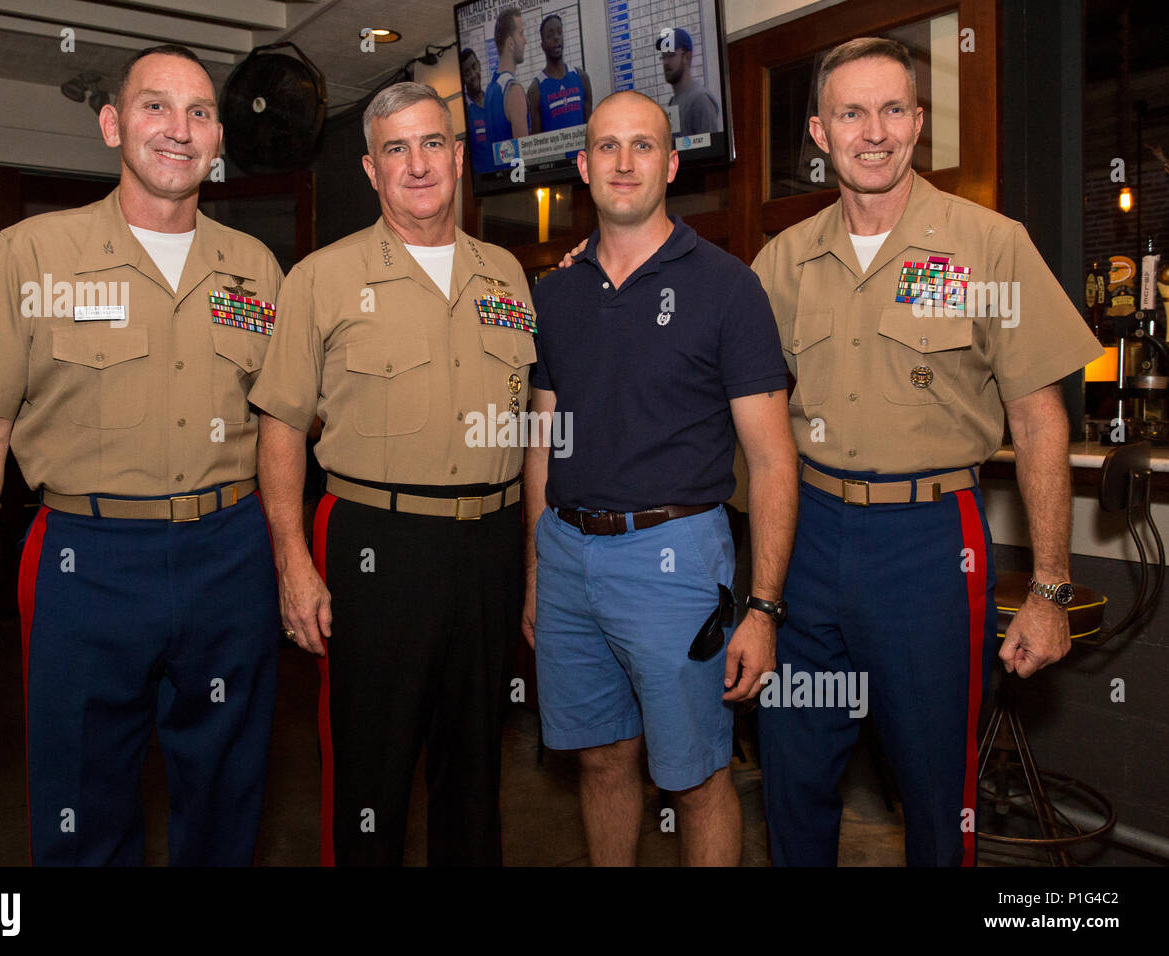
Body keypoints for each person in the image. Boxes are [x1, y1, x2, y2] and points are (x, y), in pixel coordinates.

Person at [0, 44, 285, 865]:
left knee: (227, 793)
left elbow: (289, 423)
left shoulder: (255, 269)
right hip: (89, 559)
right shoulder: (32, 255)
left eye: (199, 112)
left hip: (230, 554)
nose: (178, 131)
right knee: (83, 798)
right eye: (156, 106)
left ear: (218, 137)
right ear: (113, 124)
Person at [749, 37, 1104, 866]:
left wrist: (1050, 586)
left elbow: (1040, 418)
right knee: (793, 780)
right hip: (804, 541)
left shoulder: (989, 245)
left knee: (938, 796)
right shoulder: (783, 262)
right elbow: (731, 394)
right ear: (819, 132)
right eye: (851, 113)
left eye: (892, 109)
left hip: (932, 548)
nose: (873, 131)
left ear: (917, 122)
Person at [249, 82, 534, 867]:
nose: (418, 163)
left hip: (490, 548)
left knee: (476, 771)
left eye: (432, 142)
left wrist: (536, 568)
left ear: (457, 155)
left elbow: (537, 419)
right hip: (375, 543)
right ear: (372, 170)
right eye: (396, 149)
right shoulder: (320, 278)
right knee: (369, 771)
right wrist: (292, 565)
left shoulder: (509, 274)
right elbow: (278, 427)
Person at [526, 91, 799, 866]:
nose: (623, 162)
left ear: (672, 164)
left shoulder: (727, 286)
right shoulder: (555, 292)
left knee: (696, 778)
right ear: (582, 167)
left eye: (642, 146)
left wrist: (765, 608)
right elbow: (541, 442)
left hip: (676, 559)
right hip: (568, 554)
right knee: (601, 758)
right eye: (606, 147)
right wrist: (535, 574)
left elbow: (776, 458)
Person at [527, 14, 592, 138]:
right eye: (550, 35)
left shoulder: (582, 78)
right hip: (555, 157)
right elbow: (536, 142)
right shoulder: (535, 90)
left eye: (559, 32)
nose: (556, 38)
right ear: (543, 45)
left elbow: (590, 130)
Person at [657, 27, 720, 137]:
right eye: (664, 56)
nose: (666, 62)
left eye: (671, 55)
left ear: (686, 57)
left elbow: (712, 150)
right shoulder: (673, 102)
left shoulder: (700, 99)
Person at [484, 7, 530, 149]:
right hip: (516, 171)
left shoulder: (490, 89)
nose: (525, 41)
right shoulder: (514, 90)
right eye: (521, 34)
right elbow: (525, 154)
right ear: (510, 43)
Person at [459, 48, 492, 173]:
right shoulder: (465, 114)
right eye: (467, 73)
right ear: (462, 79)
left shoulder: (495, 102)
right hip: (484, 183)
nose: (473, 75)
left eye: (474, 67)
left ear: (479, 65)